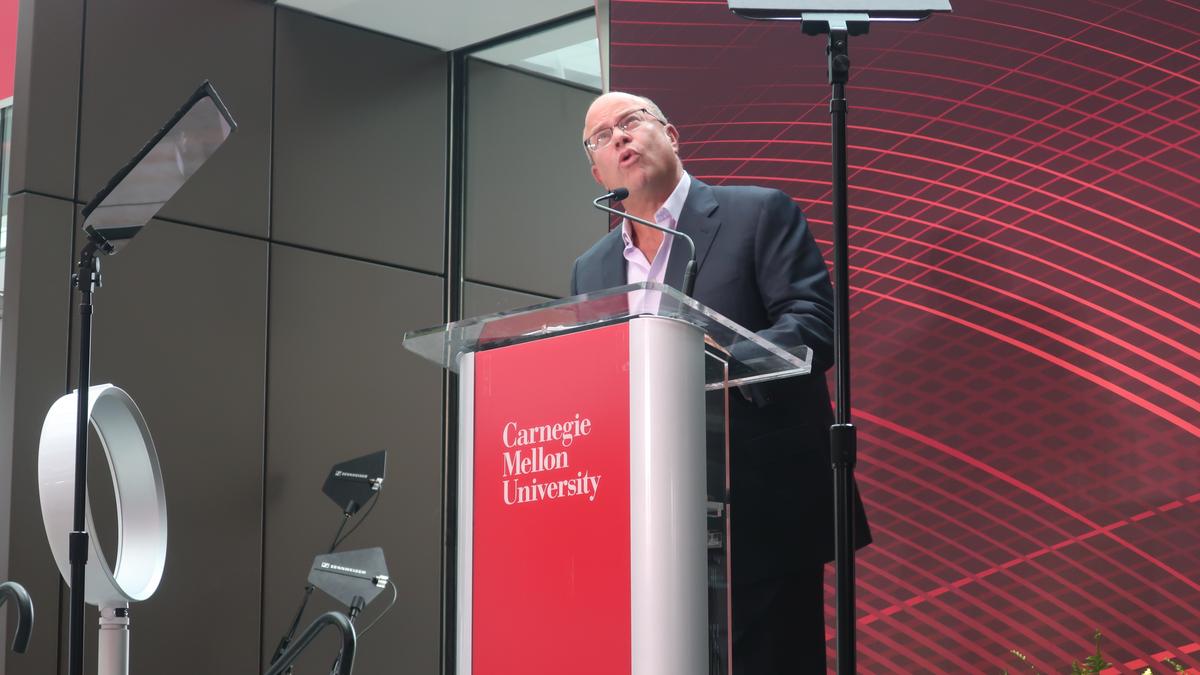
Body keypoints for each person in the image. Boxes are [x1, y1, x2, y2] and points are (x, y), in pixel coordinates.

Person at [571, 91, 871, 673]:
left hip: (760, 508)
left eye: (630, 122)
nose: (620, 139)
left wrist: (718, 359)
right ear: (596, 170)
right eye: (602, 137)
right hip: (649, 523)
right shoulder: (592, 268)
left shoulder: (756, 213)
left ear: (671, 134)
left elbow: (813, 324)